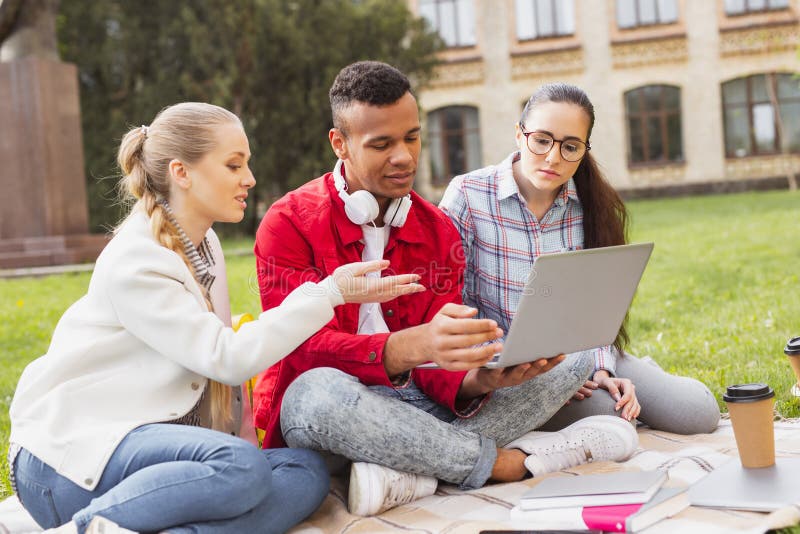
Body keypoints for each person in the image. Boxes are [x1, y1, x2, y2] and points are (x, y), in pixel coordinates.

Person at [8, 102, 424, 534]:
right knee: (241, 467)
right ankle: (84, 529)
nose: (249, 179)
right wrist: (330, 293)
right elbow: (228, 358)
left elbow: (225, 388)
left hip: (163, 459)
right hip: (68, 465)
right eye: (233, 165)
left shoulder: (204, 244)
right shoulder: (136, 261)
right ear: (181, 173)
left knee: (303, 470)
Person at [252, 61, 640, 518]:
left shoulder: (437, 229)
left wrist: (478, 381)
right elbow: (299, 350)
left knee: (571, 361)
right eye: (382, 144)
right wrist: (404, 348)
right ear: (340, 143)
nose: (404, 157)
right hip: (339, 410)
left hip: (421, 408)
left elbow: (438, 366)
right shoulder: (288, 222)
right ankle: (501, 463)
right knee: (312, 393)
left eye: (412, 137)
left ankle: (411, 472)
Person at [439, 83, 720, 436]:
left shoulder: (588, 203)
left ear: (584, 150)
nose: (553, 158)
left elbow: (594, 309)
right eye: (542, 140)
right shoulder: (467, 195)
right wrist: (551, 374)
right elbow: (449, 307)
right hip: (508, 372)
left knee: (699, 413)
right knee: (612, 414)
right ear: (519, 134)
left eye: (570, 147)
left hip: (584, 353)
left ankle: (629, 373)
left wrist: (601, 369)